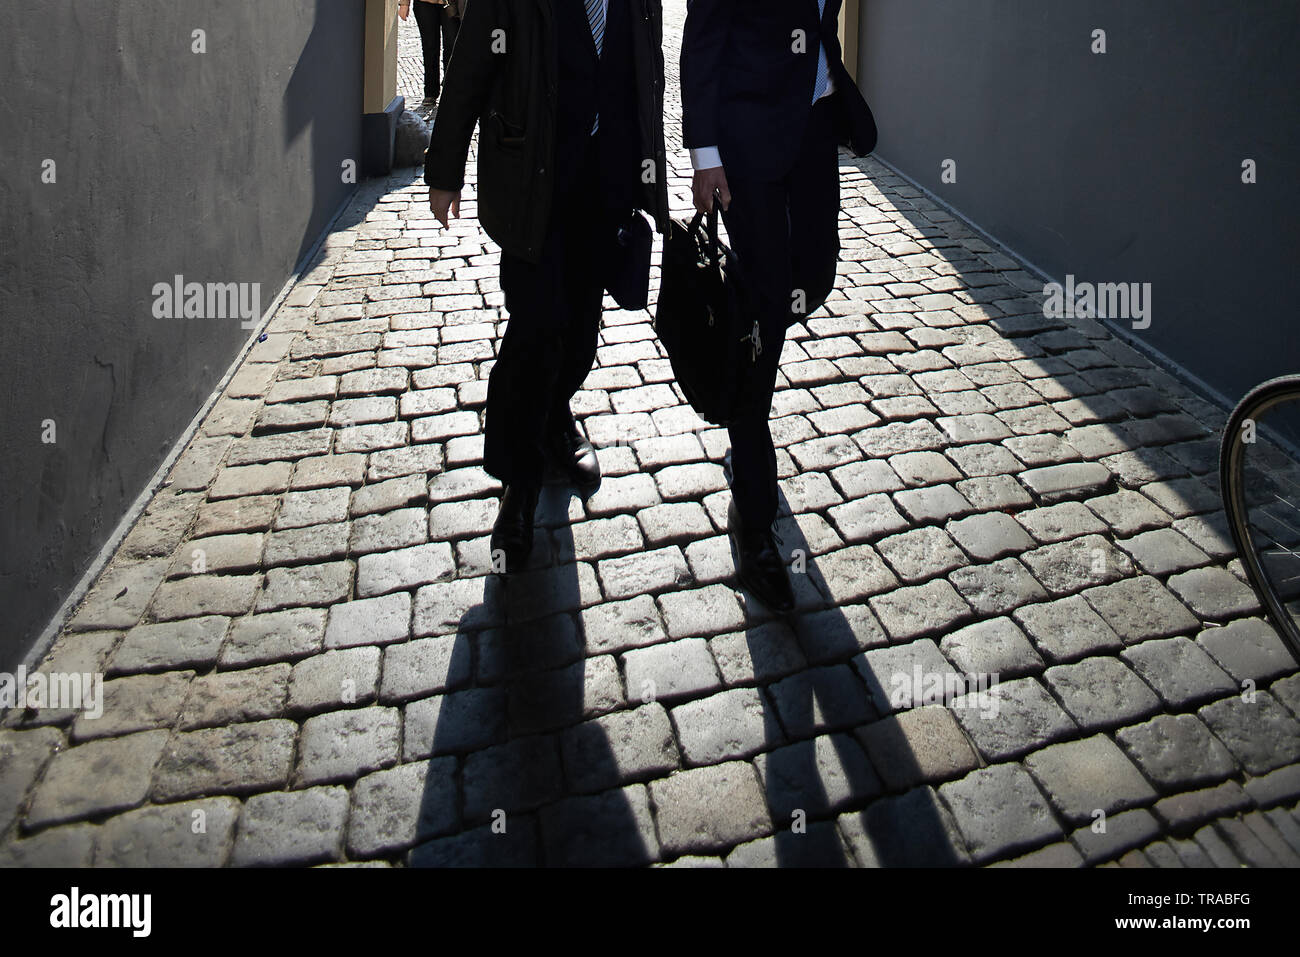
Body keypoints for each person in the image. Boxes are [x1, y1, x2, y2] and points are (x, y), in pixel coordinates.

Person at [424, 0, 670, 574]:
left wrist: (650, 171)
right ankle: (518, 481)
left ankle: (557, 414)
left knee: (582, 330)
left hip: (604, 184)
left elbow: (647, 71)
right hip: (534, 183)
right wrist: (444, 167)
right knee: (534, 332)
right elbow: (471, 65)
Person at [681, 0, 876, 612]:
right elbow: (703, 38)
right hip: (748, 142)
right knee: (764, 306)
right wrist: (705, 155)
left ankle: (749, 378)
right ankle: (754, 511)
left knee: (811, 278)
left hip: (813, 133)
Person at [398, 0, 463, 109]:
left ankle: (450, 91)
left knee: (452, 48)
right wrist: (404, 4)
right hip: (424, 3)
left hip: (451, 3)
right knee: (429, 47)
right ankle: (430, 92)